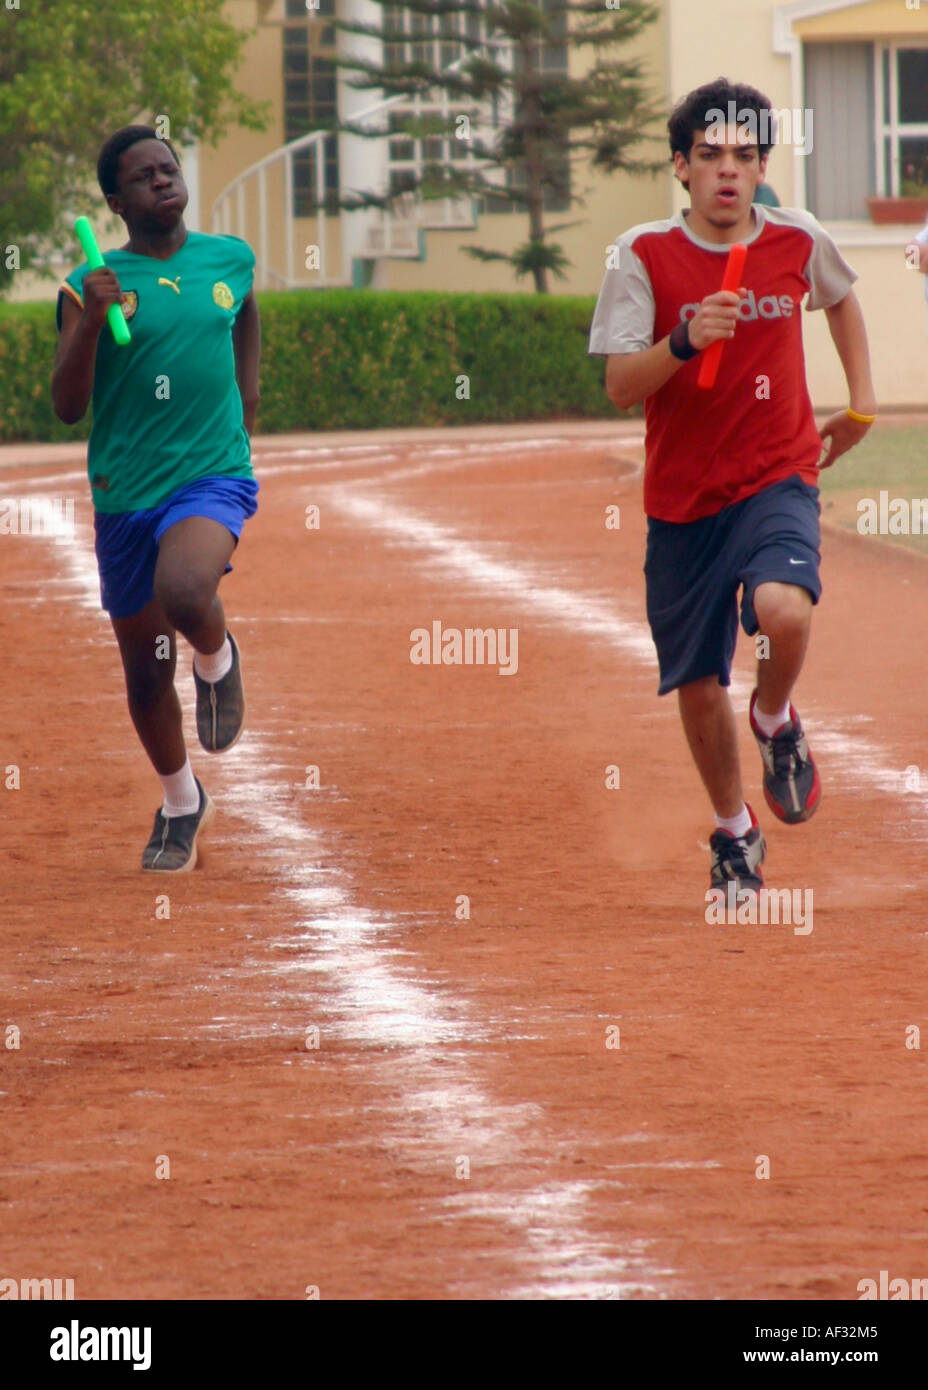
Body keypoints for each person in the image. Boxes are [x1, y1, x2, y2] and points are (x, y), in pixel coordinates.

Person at [589, 77, 877, 902]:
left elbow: (843, 300)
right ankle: (735, 833)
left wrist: (859, 403)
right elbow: (618, 386)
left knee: (785, 609)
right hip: (683, 500)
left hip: (776, 472)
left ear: (761, 168)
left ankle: (776, 719)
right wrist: (682, 340)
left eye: (744, 157)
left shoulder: (795, 238)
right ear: (680, 166)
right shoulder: (642, 254)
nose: (727, 172)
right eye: (710, 155)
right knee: (697, 681)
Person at [51, 125, 261, 873]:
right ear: (116, 201)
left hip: (210, 473)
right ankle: (181, 803)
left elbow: (241, 321)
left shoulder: (229, 260)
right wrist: (91, 325)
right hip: (124, 491)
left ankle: (216, 656)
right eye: (144, 176)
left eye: (168, 169)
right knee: (145, 671)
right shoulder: (91, 284)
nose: (164, 181)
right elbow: (68, 406)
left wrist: (246, 401)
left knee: (185, 588)